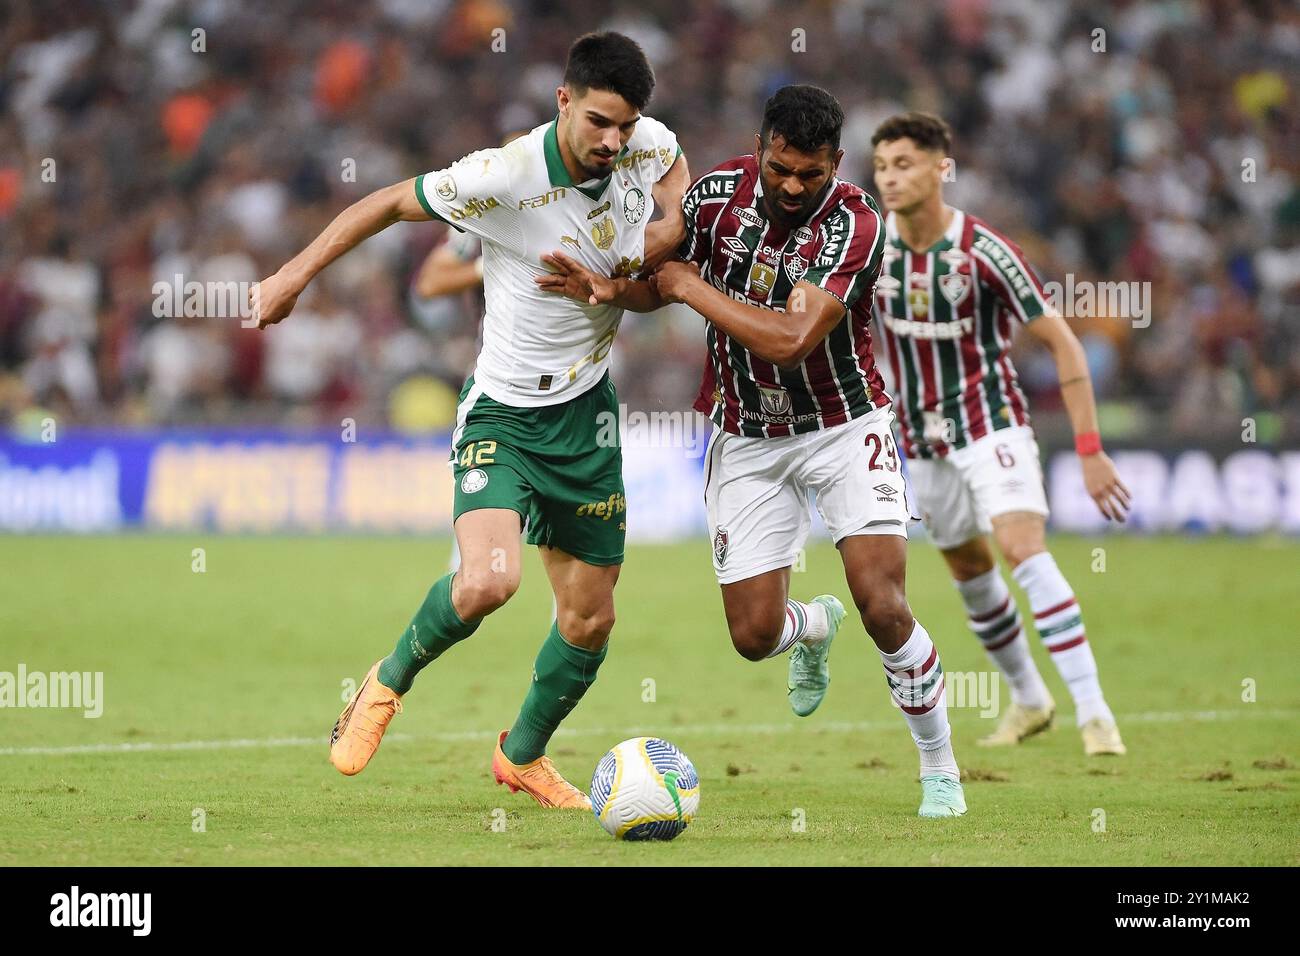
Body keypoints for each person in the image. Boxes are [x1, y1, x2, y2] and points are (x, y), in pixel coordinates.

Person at [253, 31, 690, 808]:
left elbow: (672, 182)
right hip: (505, 416)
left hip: (586, 414)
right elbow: (387, 202)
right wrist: (292, 278)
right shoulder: (504, 175)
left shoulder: (643, 142)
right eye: (598, 122)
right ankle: (383, 685)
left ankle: (521, 756)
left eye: (624, 125)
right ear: (563, 101)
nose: (613, 140)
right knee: (490, 582)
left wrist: (650, 241)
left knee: (590, 619)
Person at [651, 86, 967, 817]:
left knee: (884, 602)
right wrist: (607, 282)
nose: (793, 186)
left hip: (841, 426)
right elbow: (653, 283)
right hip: (746, 436)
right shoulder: (713, 199)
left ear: (837, 164)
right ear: (761, 148)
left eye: (811, 174)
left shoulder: (855, 222)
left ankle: (940, 768)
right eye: (781, 169)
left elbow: (793, 341)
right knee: (754, 636)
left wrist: (688, 287)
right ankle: (814, 625)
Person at [869, 111, 1130, 755]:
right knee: (969, 570)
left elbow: (1065, 345)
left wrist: (1091, 450)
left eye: (904, 164)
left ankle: (1096, 715)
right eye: (880, 167)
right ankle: (1029, 699)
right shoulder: (873, 250)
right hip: (921, 437)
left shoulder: (986, 251)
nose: (890, 179)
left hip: (991, 422)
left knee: (1021, 548)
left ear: (941, 168)